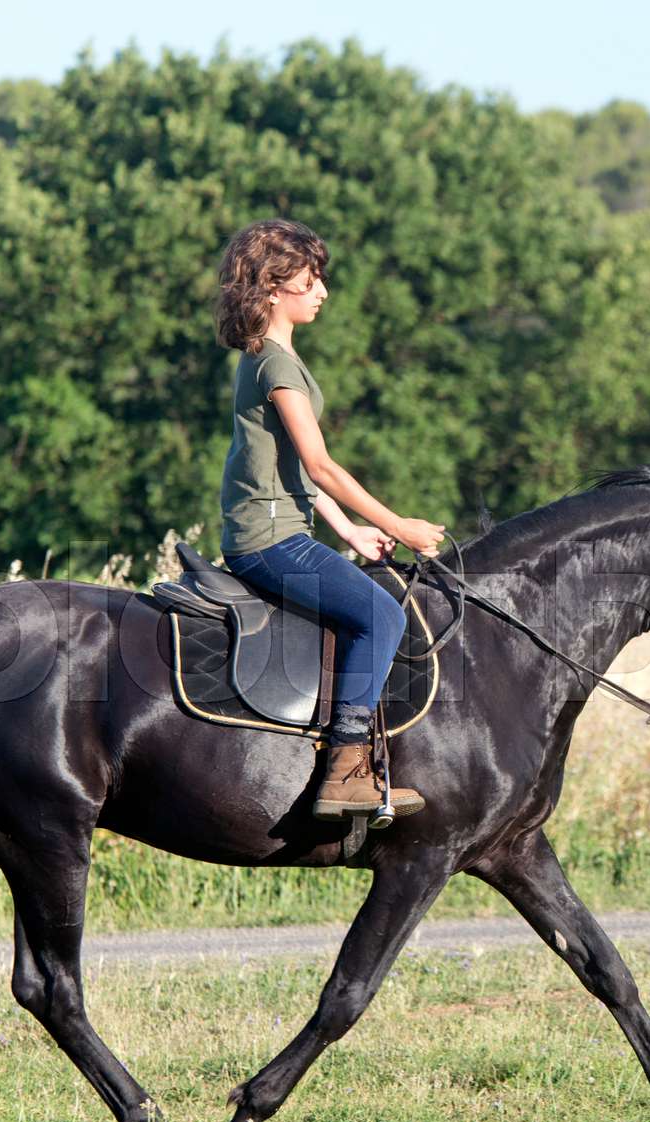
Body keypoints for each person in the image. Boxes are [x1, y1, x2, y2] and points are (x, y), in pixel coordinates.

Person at [213, 219, 447, 820]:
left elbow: (288, 468)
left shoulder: (270, 357)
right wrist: (401, 526)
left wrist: (348, 530)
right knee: (381, 615)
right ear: (272, 289)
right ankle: (346, 770)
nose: (322, 293)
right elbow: (319, 466)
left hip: (279, 528)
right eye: (310, 281)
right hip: (270, 541)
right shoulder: (276, 366)